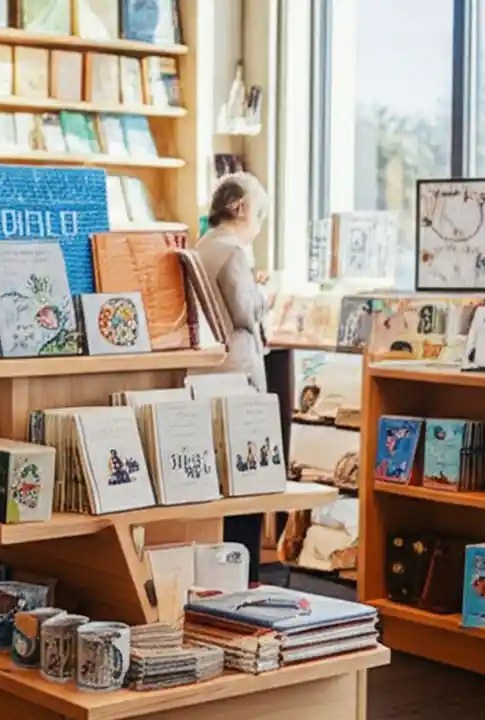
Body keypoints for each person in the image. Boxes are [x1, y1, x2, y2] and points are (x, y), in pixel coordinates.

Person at [195, 172, 271, 583]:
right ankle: (247, 577)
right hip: (237, 380)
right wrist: (265, 296)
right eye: (258, 213)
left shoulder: (202, 246)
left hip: (206, 378)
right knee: (247, 479)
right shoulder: (232, 252)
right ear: (240, 209)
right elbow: (244, 312)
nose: (258, 224)